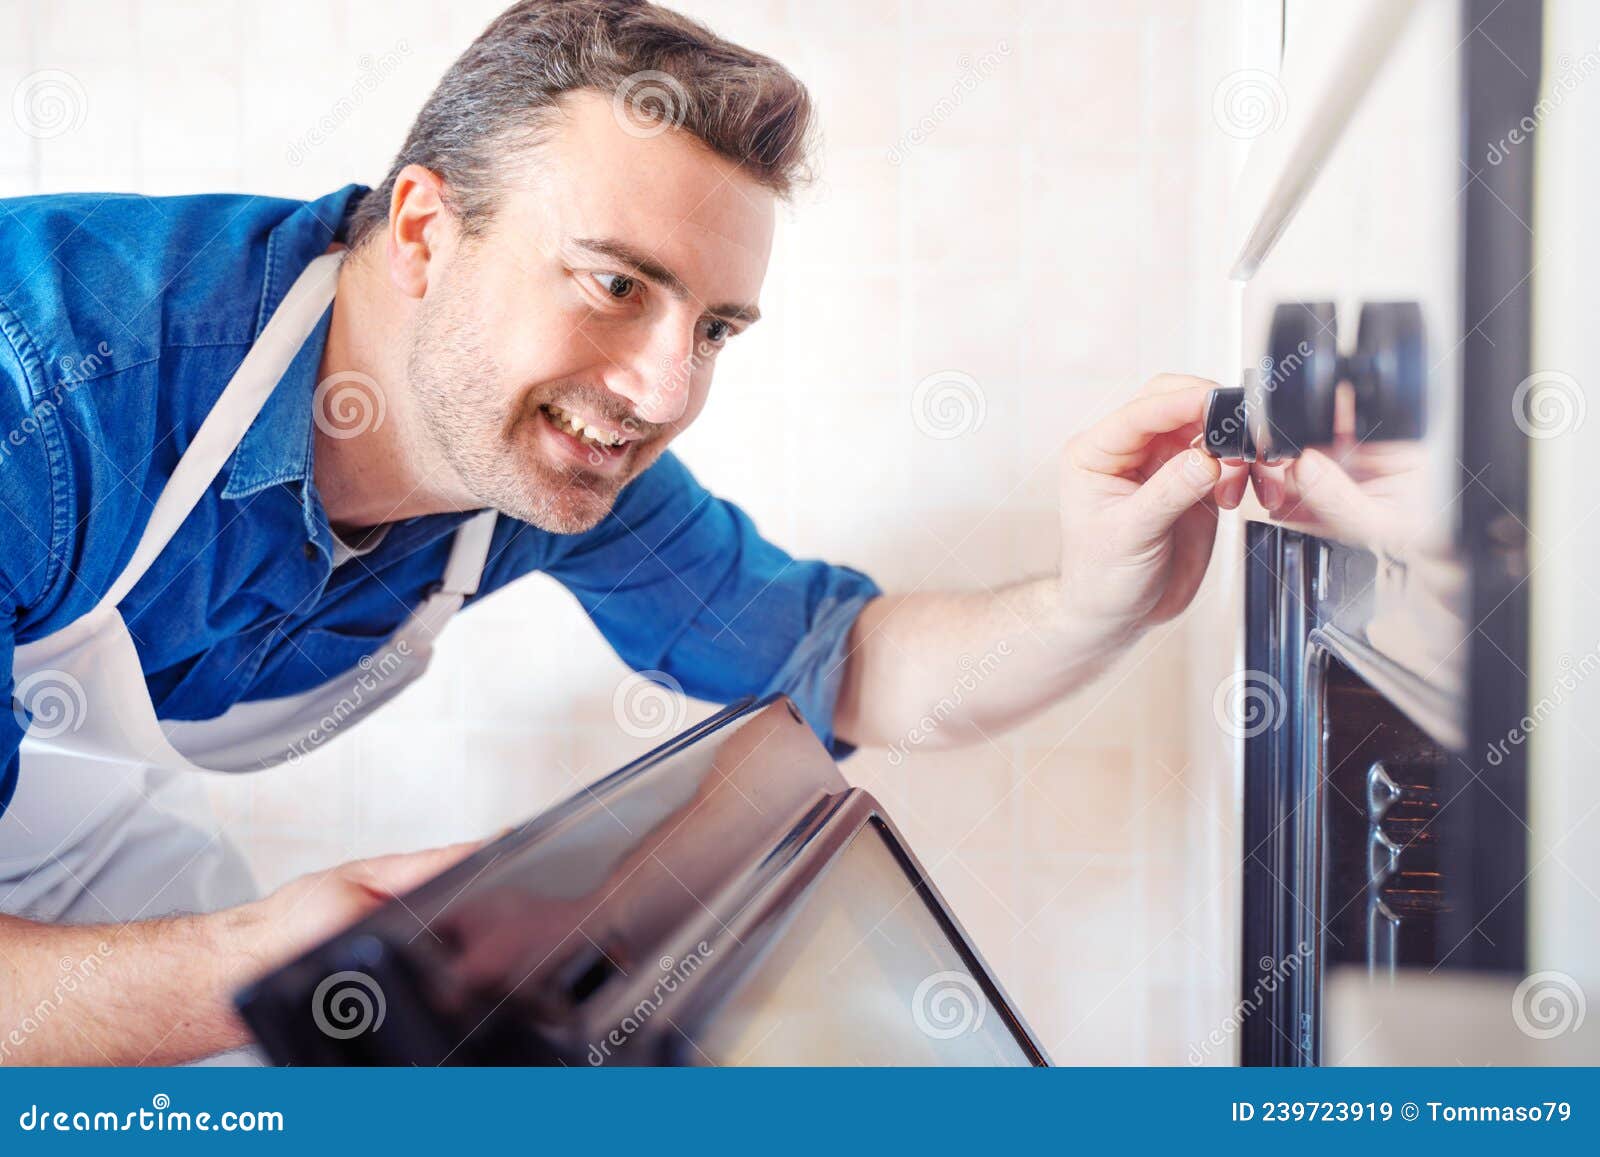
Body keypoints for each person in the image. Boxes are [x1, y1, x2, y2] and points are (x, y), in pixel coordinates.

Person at [0, 0, 1246, 1063]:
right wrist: (252, 950)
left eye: (712, 328)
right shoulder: (45, 391)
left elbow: (851, 662)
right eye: (615, 284)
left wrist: (1102, 597)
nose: (665, 391)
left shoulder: (548, 462)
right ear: (427, 230)